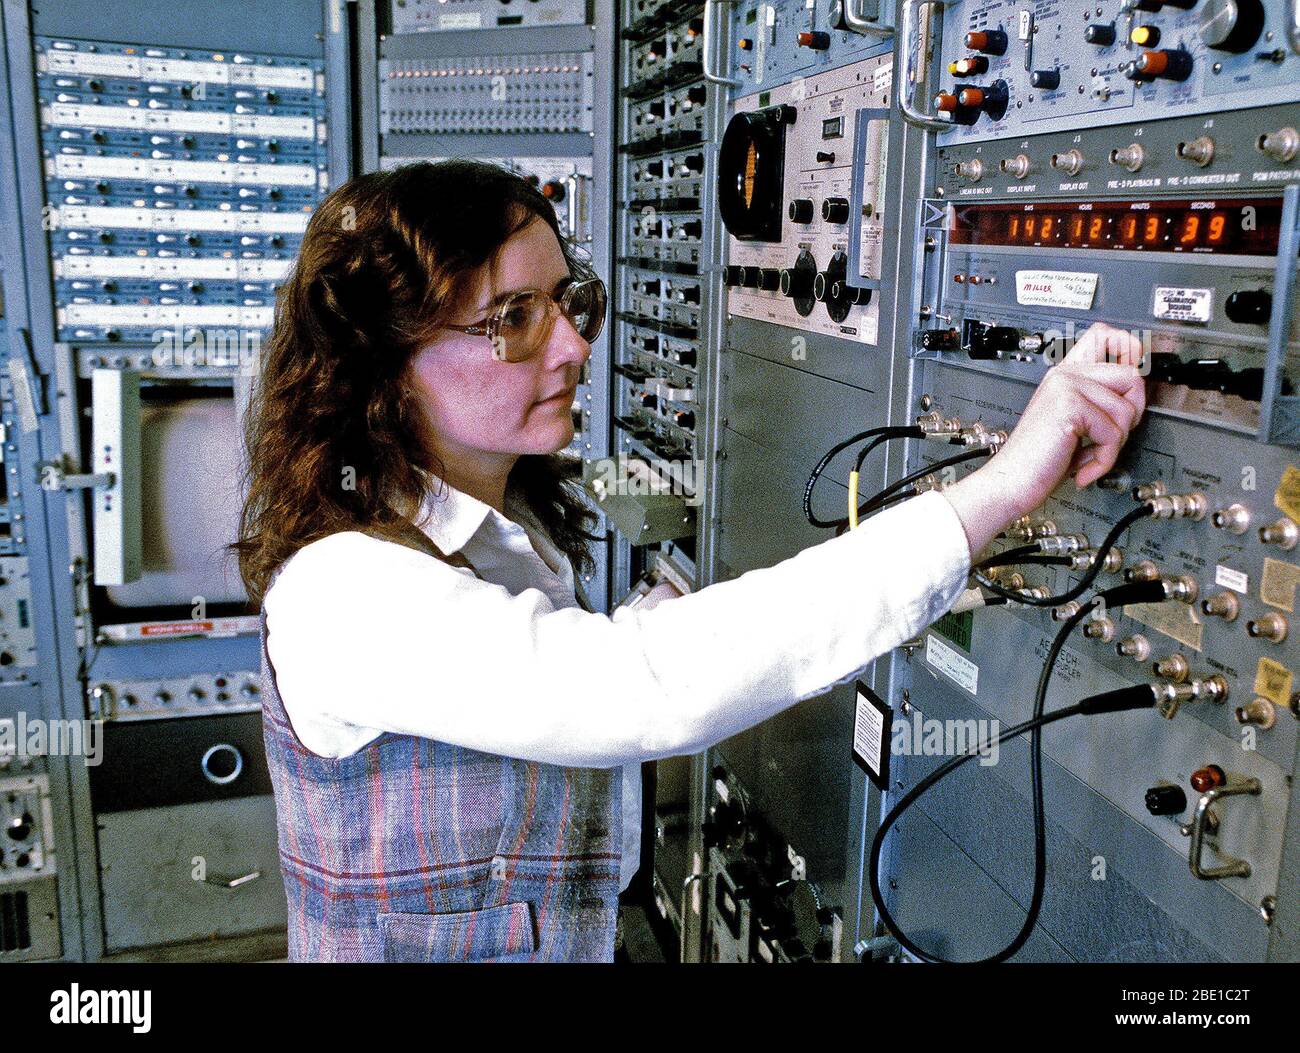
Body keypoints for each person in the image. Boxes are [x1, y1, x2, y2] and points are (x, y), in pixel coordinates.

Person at [233, 159, 1147, 963]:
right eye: (513, 318)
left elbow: (554, 673)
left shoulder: (501, 525)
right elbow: (641, 692)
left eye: (567, 302)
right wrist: (997, 490)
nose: (574, 345)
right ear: (384, 359)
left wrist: (630, 630)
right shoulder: (340, 587)